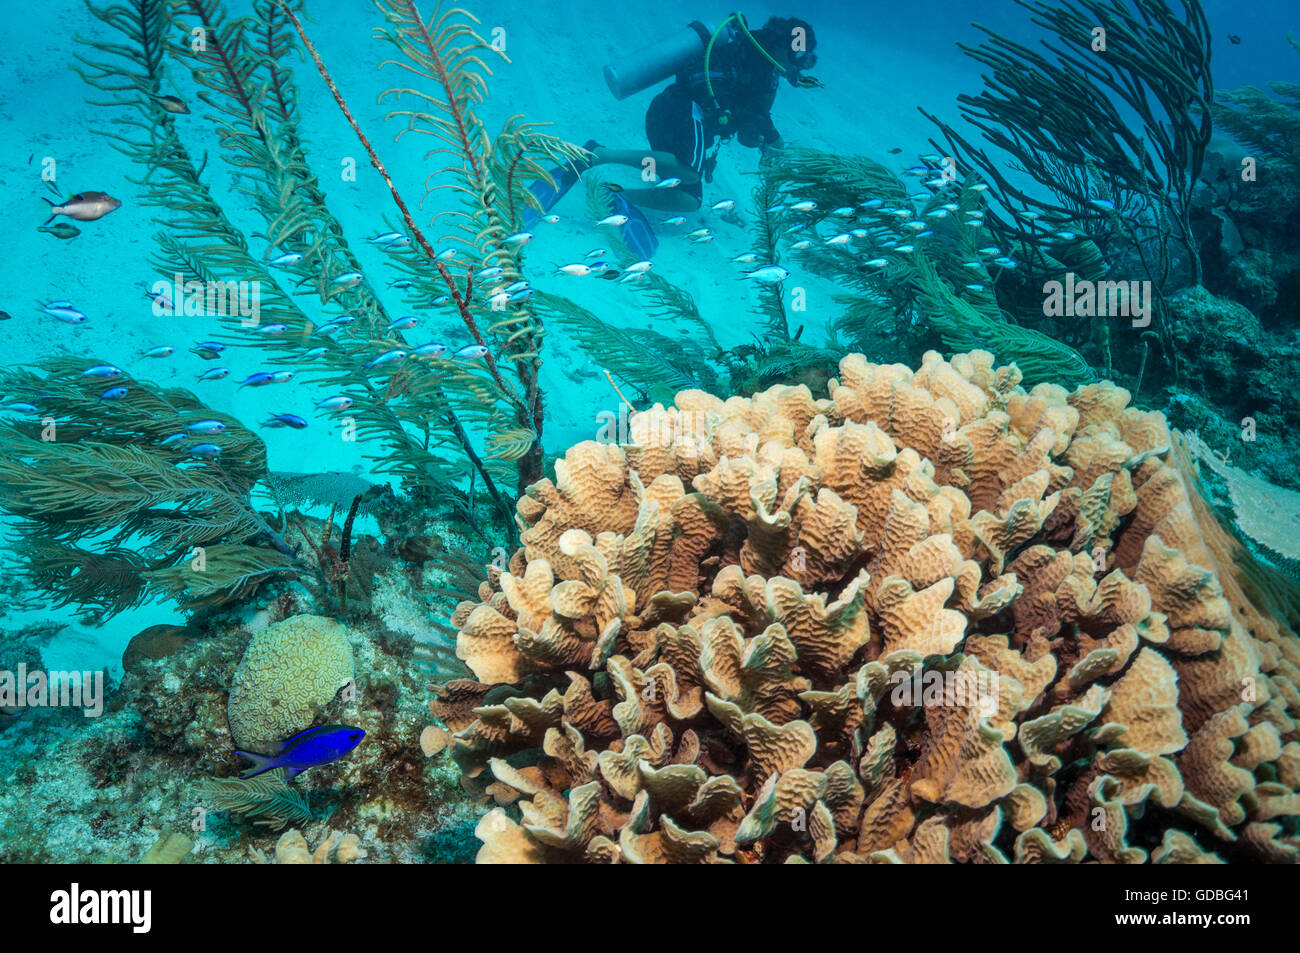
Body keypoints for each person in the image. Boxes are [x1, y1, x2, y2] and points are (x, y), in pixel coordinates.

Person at [526, 14, 819, 245]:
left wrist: (762, 135)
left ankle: (617, 195)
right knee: (689, 171)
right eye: (801, 57)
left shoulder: (765, 73)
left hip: (684, 123)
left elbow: (751, 118)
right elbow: (695, 75)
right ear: (785, 46)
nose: (800, 67)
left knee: (690, 200)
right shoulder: (743, 50)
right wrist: (722, 110)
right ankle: (597, 153)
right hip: (676, 111)